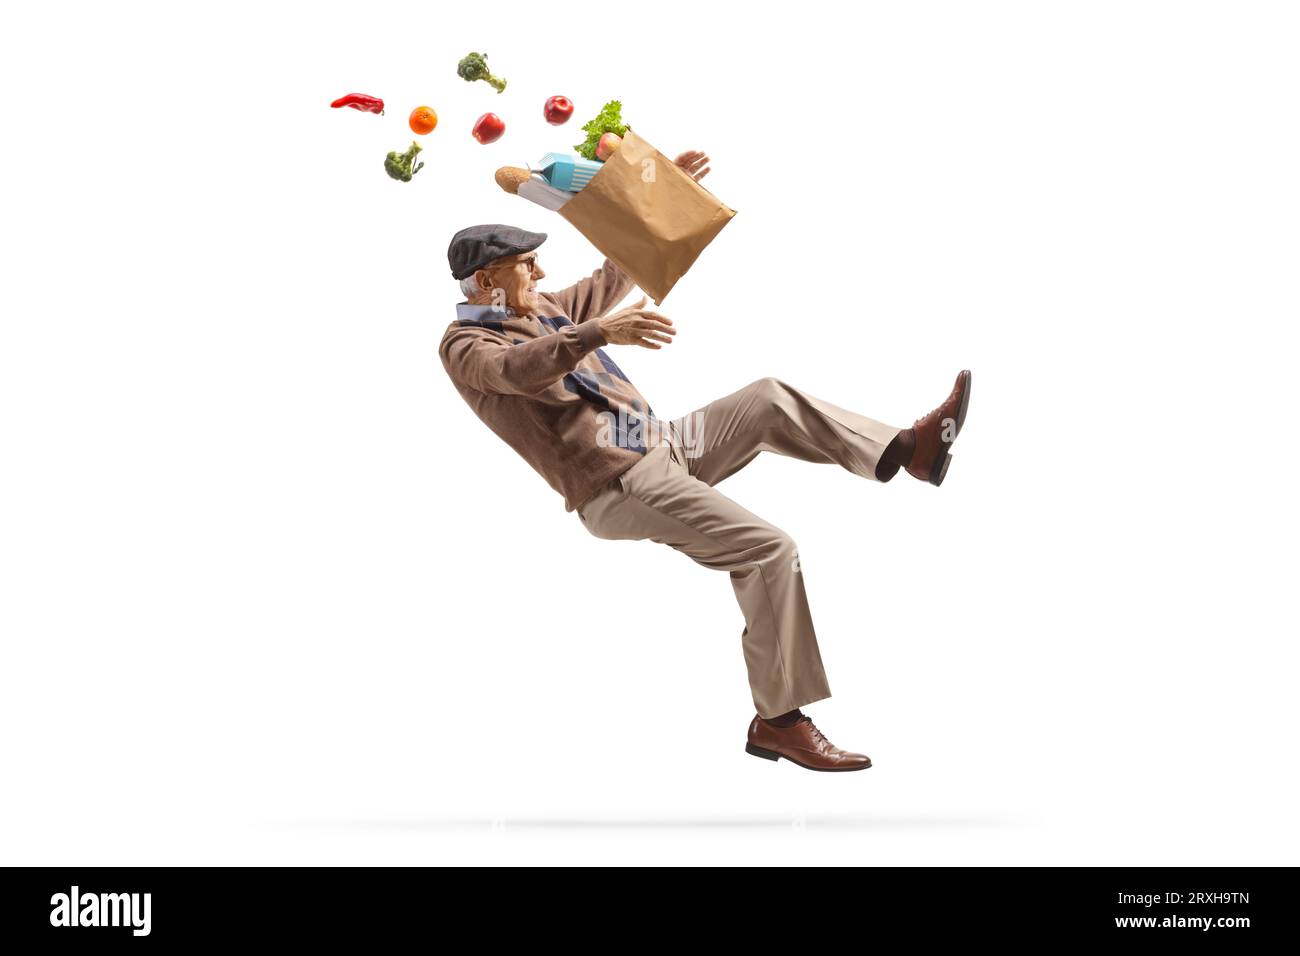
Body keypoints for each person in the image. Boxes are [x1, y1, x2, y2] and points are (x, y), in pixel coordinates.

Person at [439, 152, 971, 772]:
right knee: (769, 549)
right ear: (485, 283)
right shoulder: (466, 345)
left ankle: (908, 451)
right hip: (618, 483)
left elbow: (622, 268)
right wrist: (598, 334)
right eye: (525, 265)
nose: (539, 271)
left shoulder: (545, 308)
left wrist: (672, 194)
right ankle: (779, 720)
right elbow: (516, 371)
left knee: (768, 397)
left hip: (662, 442)